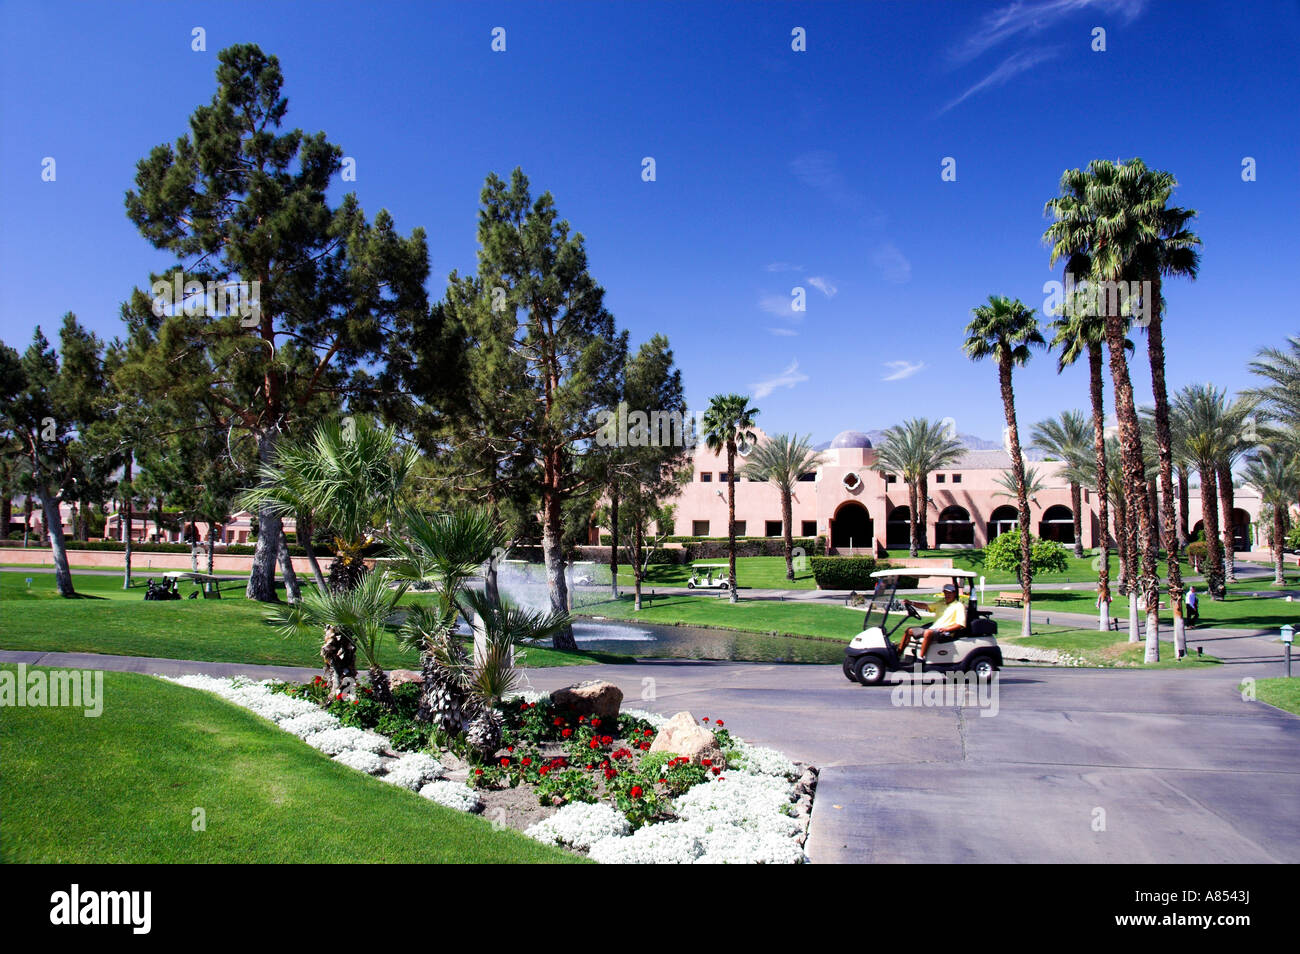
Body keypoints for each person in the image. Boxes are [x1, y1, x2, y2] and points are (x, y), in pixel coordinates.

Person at [897, 583, 967, 662]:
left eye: (950, 593)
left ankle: (921, 659)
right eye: (946, 593)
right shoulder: (941, 602)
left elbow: (960, 625)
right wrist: (911, 603)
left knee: (927, 632)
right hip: (934, 629)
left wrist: (946, 629)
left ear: (954, 593)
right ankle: (898, 655)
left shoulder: (958, 606)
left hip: (946, 632)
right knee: (909, 631)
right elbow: (926, 606)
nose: (947, 595)